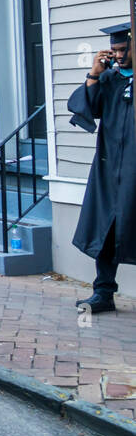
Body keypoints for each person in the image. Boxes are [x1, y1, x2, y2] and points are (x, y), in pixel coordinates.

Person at [69, 23, 135, 313]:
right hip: (110, 168)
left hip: (133, 168)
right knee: (106, 229)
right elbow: (88, 109)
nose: (119, 55)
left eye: (124, 49)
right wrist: (94, 74)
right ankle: (103, 293)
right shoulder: (110, 79)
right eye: (116, 50)